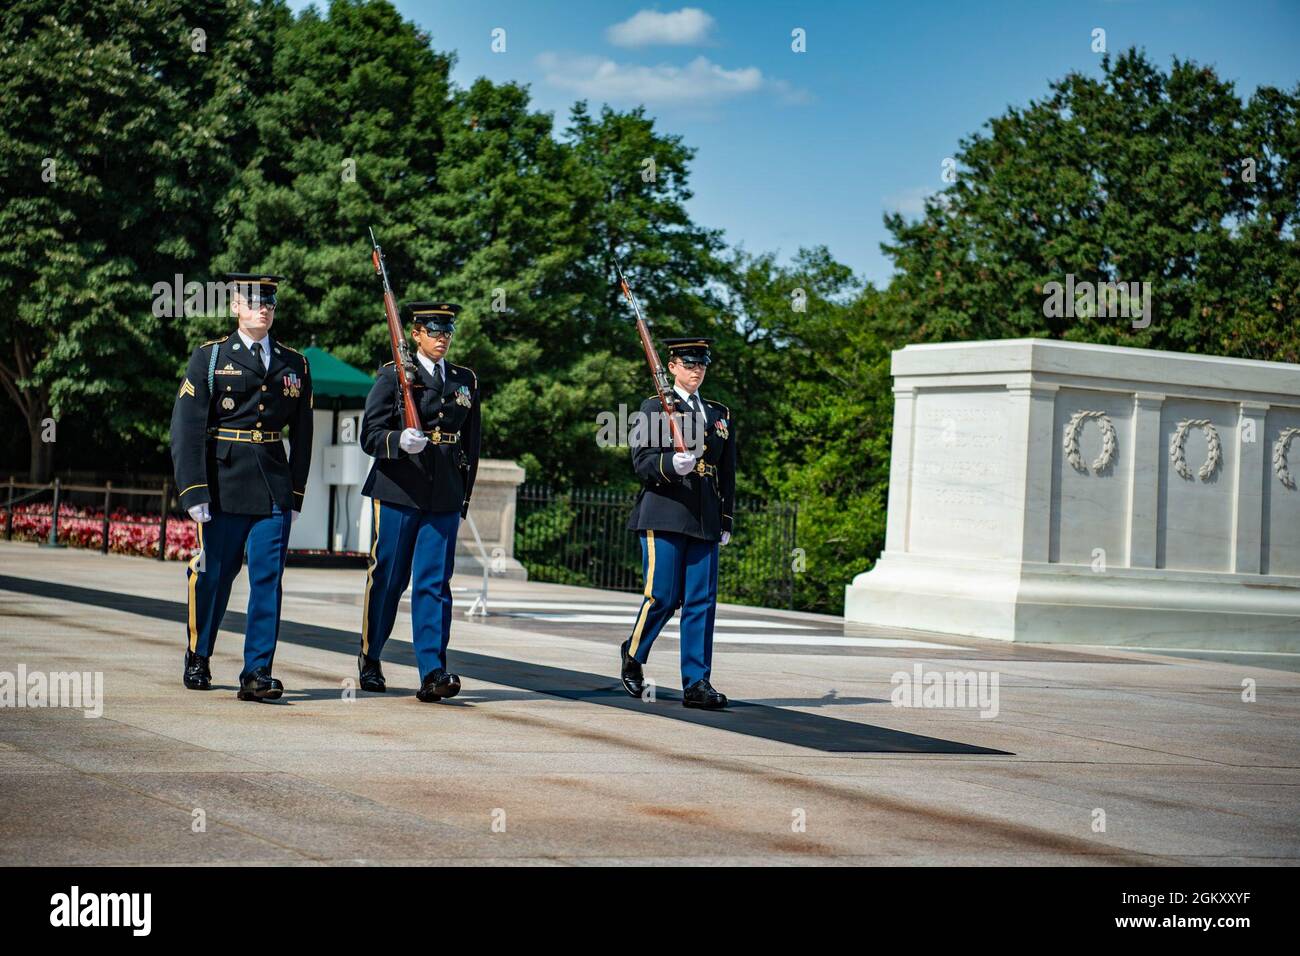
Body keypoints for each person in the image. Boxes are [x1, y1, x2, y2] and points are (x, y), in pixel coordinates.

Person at [170, 273, 313, 701]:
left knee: (268, 578)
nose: (263, 309)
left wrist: (297, 493)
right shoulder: (210, 358)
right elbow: (187, 428)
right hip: (223, 481)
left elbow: (303, 433)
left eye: (269, 302)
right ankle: (199, 652)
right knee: (215, 574)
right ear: (235, 306)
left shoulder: (295, 363)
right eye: (253, 302)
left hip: (272, 482)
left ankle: (256, 672)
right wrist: (193, 490)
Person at [357, 302, 481, 703]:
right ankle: (371, 655)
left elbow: (472, 444)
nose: (442, 337)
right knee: (390, 578)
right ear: (416, 334)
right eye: (434, 330)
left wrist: (464, 494)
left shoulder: (465, 380)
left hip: (443, 491)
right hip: (398, 488)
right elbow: (370, 434)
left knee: (434, 583)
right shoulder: (394, 376)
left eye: (447, 330)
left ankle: (432, 670)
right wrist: (397, 441)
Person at [621, 338, 736, 709]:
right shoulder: (654, 408)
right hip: (664, 512)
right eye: (688, 364)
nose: (696, 370)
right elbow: (641, 461)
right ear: (671, 367)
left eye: (701, 364)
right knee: (664, 596)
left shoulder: (719, 414)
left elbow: (728, 471)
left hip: (704, 517)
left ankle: (697, 681)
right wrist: (670, 465)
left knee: (701, 601)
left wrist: (726, 518)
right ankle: (634, 654)